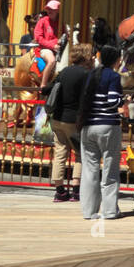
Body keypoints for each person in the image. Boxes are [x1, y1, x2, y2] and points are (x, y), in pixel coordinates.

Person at [78, 44, 125, 221]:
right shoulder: (113, 76)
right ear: (115, 60)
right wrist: (124, 99)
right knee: (110, 169)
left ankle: (89, 212)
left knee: (89, 170)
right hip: (107, 126)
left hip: (88, 126)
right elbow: (113, 101)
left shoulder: (91, 75)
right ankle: (109, 211)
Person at [44, 42, 93, 202]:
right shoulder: (85, 74)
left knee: (60, 152)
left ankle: (60, 191)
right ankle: (76, 189)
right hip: (74, 120)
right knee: (80, 153)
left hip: (57, 118)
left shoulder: (64, 71)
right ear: (86, 57)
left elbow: (48, 89)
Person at [33, 0, 63, 87]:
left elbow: (64, 36)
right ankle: (43, 84)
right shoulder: (42, 21)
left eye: (52, 9)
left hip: (57, 48)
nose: (49, 11)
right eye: (48, 9)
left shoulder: (61, 23)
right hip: (44, 48)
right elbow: (38, 38)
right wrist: (52, 45)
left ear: (57, 11)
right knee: (52, 60)